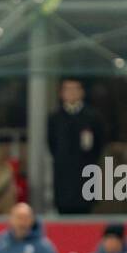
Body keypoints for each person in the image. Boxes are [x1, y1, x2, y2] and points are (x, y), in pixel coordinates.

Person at [47, 78, 107, 215]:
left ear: (82, 92)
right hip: (63, 177)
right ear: (61, 93)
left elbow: (99, 144)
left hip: (85, 175)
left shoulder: (92, 117)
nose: (71, 93)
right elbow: (51, 144)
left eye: (75, 89)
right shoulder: (55, 118)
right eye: (68, 89)